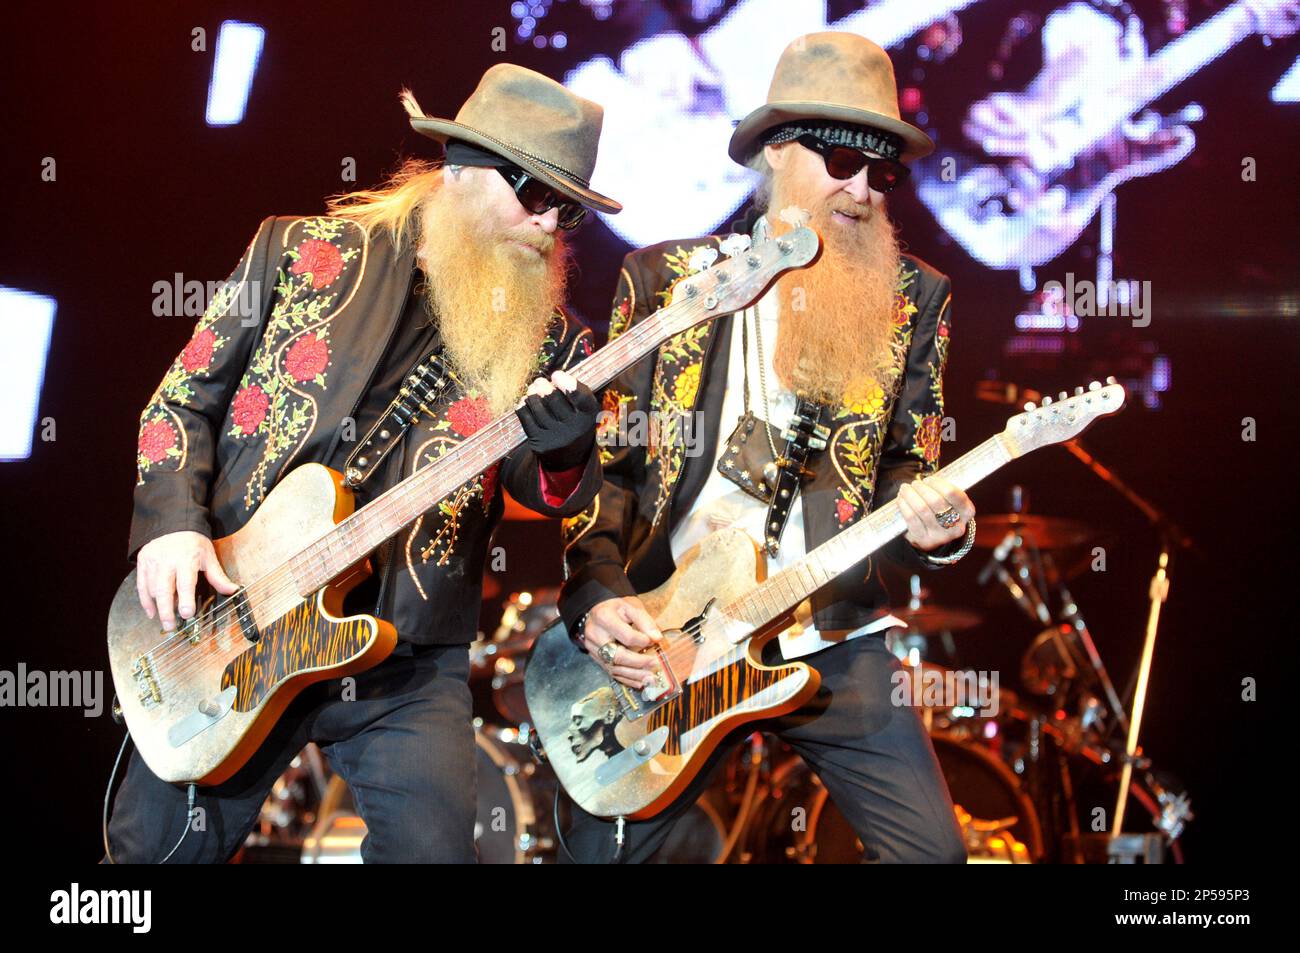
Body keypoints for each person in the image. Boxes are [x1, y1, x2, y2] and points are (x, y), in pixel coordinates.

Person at [106, 64, 616, 863]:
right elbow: (181, 403)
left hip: (405, 657)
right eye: (533, 192)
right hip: (235, 619)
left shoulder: (551, 342)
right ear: (462, 168)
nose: (549, 224)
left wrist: (567, 449)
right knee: (147, 866)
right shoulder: (300, 249)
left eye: (567, 209)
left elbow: (544, 491)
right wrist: (171, 527)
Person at [557, 33, 975, 863]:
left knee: (934, 855)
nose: (861, 189)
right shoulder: (666, 280)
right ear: (777, 150)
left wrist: (941, 527)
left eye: (883, 172)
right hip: (672, 631)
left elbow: (906, 468)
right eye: (842, 158)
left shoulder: (915, 299)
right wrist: (596, 592)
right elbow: (610, 468)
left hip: (829, 630)